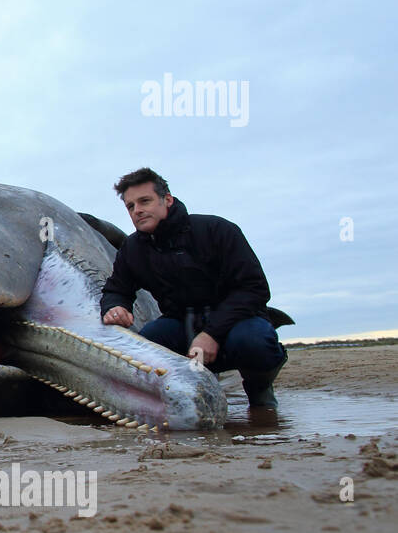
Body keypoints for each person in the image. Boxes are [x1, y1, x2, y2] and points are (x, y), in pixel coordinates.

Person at [99, 168, 289, 409]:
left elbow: (254, 289)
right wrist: (115, 306)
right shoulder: (133, 249)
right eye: (130, 206)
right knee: (144, 347)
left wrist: (211, 334)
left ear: (167, 199)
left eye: (145, 201)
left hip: (237, 322)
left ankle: (259, 387)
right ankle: (179, 396)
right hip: (181, 325)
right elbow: (117, 288)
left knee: (253, 341)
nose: (137, 210)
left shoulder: (217, 230)